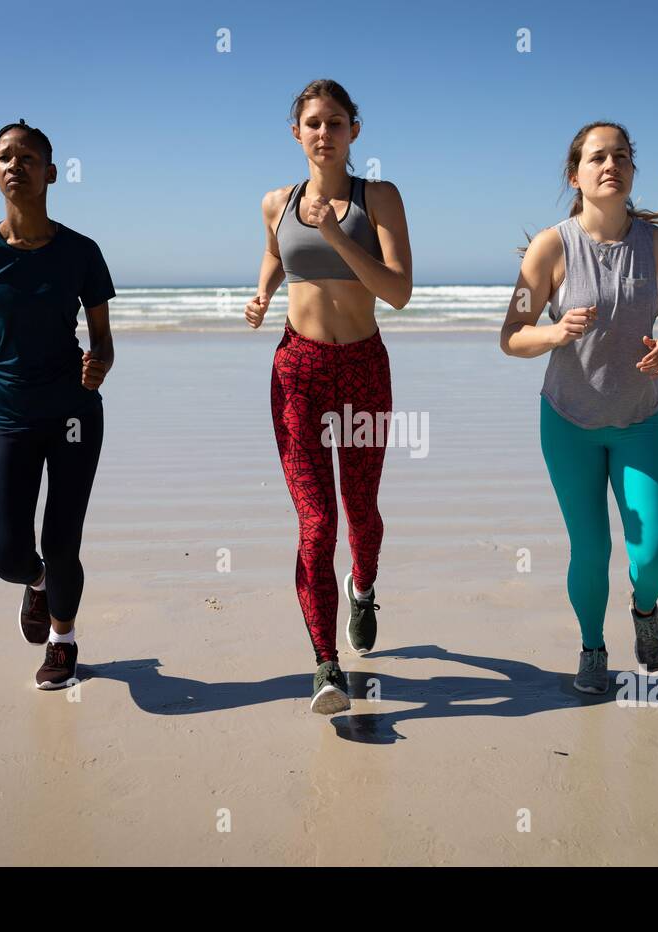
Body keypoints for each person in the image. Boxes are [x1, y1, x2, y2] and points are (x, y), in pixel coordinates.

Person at [500, 121, 658, 695]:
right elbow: (511, 334)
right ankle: (591, 648)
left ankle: (645, 606)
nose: (612, 165)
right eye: (599, 157)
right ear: (575, 174)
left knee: (653, 554)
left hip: (640, 422)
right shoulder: (551, 247)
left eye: (623, 157)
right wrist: (555, 333)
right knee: (592, 547)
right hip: (568, 423)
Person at [244, 80, 413, 715]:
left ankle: (363, 589)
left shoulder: (381, 197)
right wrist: (262, 293)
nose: (324, 133)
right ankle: (325, 667)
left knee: (361, 512)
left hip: (364, 369)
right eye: (313, 122)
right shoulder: (276, 202)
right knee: (317, 523)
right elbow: (274, 254)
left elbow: (398, 291)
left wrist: (337, 234)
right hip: (300, 371)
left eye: (336, 122)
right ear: (297, 133)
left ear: (353, 132)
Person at [0, 119, 116, 690]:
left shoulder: (81, 253)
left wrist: (101, 361)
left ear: (51, 173)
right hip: (7, 416)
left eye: (28, 158)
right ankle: (37, 583)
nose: (14, 165)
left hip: (73, 414)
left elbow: (103, 338)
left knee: (62, 538)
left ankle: (63, 642)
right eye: (4, 157)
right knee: (7, 556)